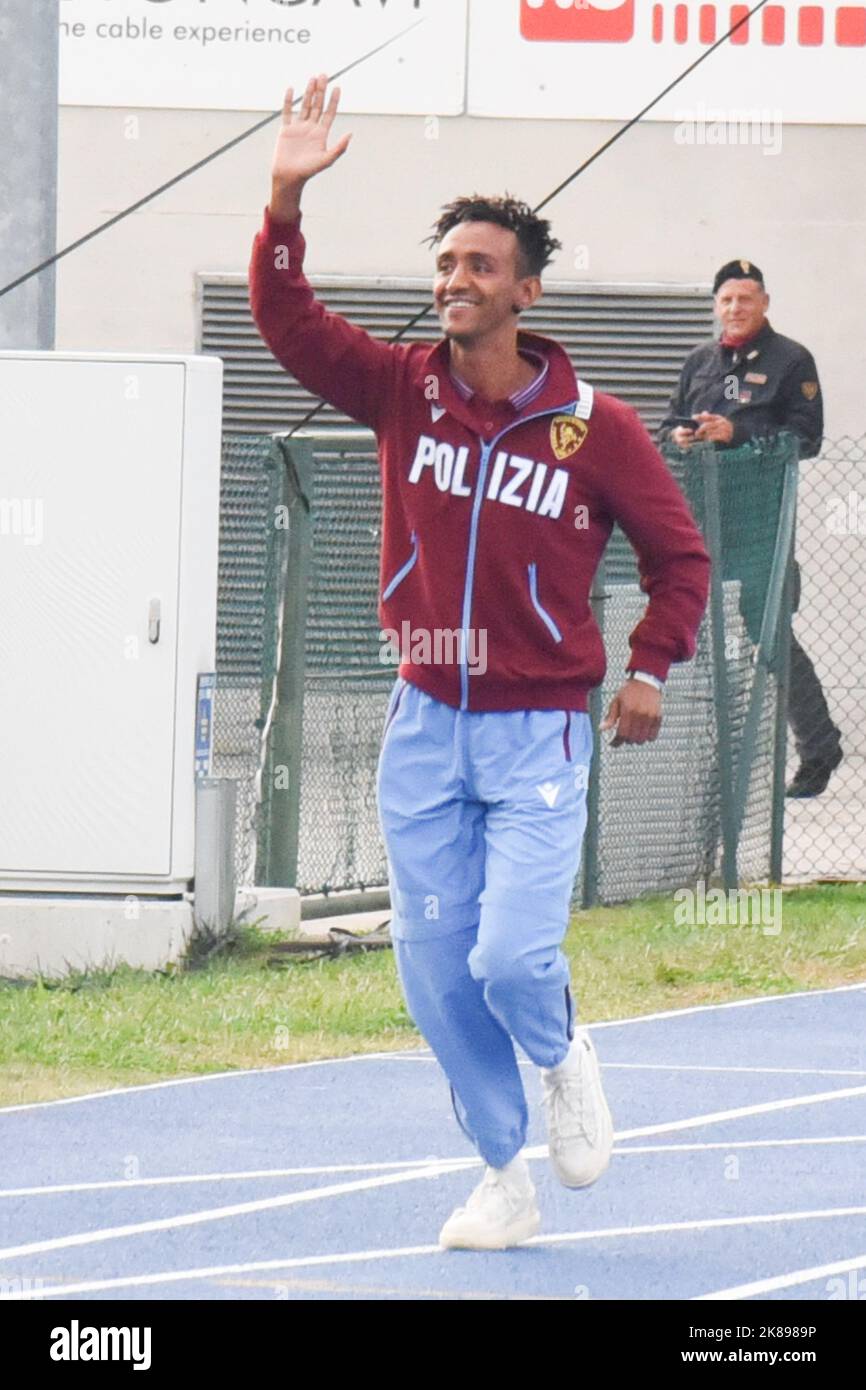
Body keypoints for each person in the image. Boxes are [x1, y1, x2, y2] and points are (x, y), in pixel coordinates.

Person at [250, 75, 710, 1250]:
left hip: (539, 725)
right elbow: (288, 324)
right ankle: (500, 1168)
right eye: (444, 263)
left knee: (511, 953)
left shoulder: (590, 428)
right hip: (422, 716)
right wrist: (284, 200)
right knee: (436, 971)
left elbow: (680, 558)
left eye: (479, 265)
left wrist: (650, 666)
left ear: (526, 289)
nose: (454, 279)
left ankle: (563, 1052)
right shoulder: (399, 388)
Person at [659, 260, 843, 799]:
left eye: (745, 298)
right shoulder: (699, 361)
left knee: (768, 635)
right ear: (715, 306)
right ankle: (702, 760)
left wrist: (735, 432)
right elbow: (669, 420)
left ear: (765, 302)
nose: (734, 308)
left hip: (762, 519)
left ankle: (818, 748)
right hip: (702, 516)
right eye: (725, 300)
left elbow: (807, 437)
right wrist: (682, 437)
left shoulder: (791, 359)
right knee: (691, 628)